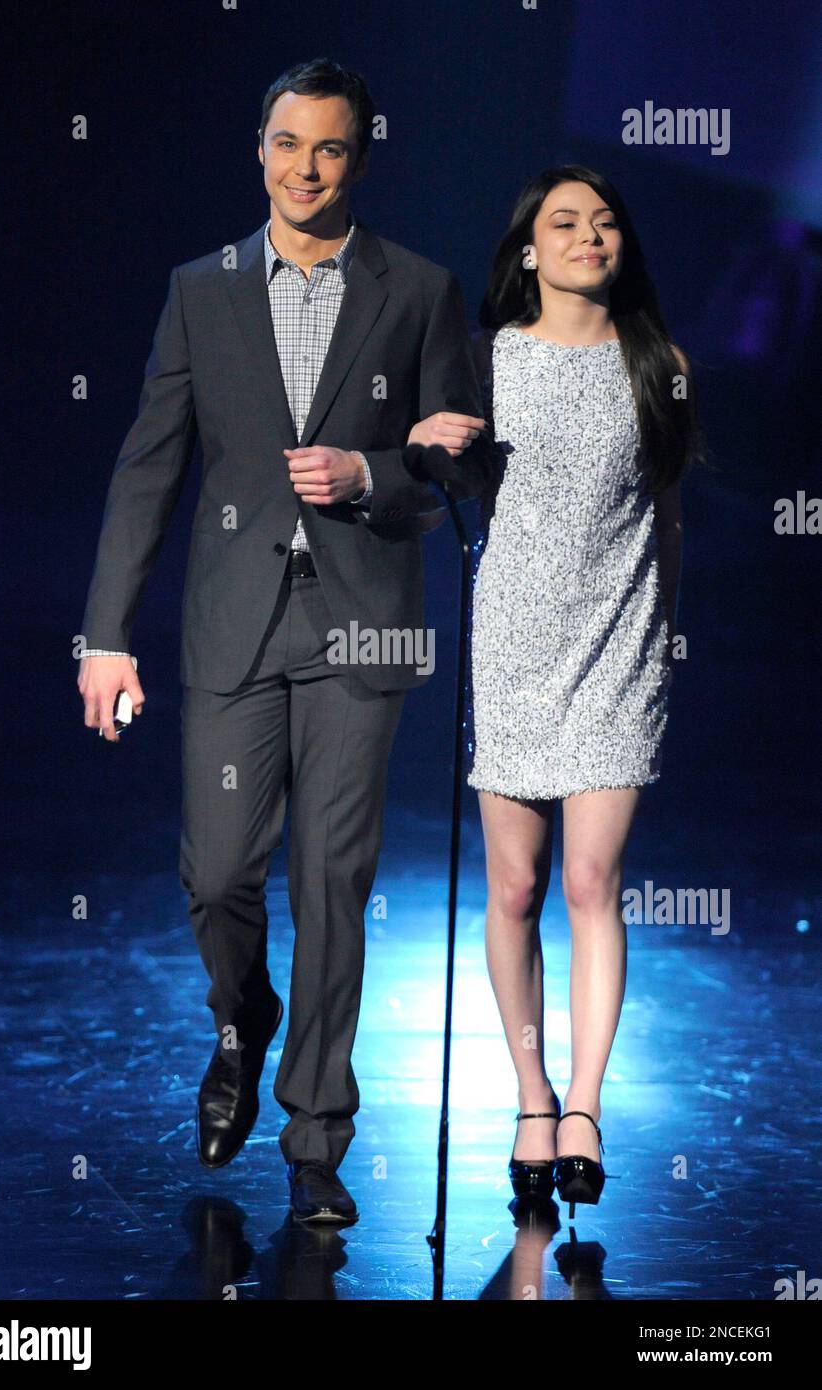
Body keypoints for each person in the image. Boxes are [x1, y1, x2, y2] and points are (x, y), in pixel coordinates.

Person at [77, 57, 492, 1226]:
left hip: (363, 627)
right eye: (285, 144)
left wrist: (378, 469)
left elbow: (460, 466)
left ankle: (316, 1134)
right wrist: (103, 634)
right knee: (217, 875)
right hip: (233, 623)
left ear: (360, 156)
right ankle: (241, 1017)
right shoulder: (201, 289)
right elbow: (149, 465)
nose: (305, 169)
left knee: (335, 880)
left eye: (331, 148)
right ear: (258, 147)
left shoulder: (418, 287)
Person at [463, 166, 698, 1216]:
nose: (588, 236)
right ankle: (530, 1093)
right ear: (528, 248)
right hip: (512, 644)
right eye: (564, 222)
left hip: (619, 647)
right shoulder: (487, 363)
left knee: (591, 883)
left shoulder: (659, 364)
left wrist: (662, 641)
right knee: (513, 890)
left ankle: (586, 1107)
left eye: (604, 223)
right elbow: (450, 497)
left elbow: (670, 518)